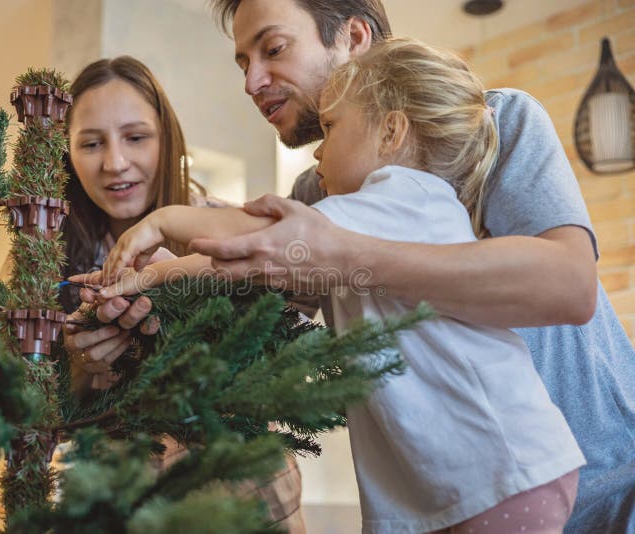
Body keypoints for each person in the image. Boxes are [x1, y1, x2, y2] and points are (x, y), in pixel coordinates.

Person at [96, 38, 587, 533]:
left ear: (391, 131)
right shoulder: (382, 210)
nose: (319, 148)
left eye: (331, 128)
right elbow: (256, 262)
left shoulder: (402, 193)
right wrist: (161, 274)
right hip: (490, 481)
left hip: (503, 473)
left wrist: (162, 224)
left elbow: (258, 238)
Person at [59, 55, 305, 532]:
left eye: (136, 137)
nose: (115, 162)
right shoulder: (46, 259)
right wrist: (81, 368)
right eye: (91, 143)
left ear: (166, 138)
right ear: (66, 153)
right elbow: (24, 405)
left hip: (242, 495)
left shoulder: (227, 229)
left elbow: (282, 358)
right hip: (116, 502)